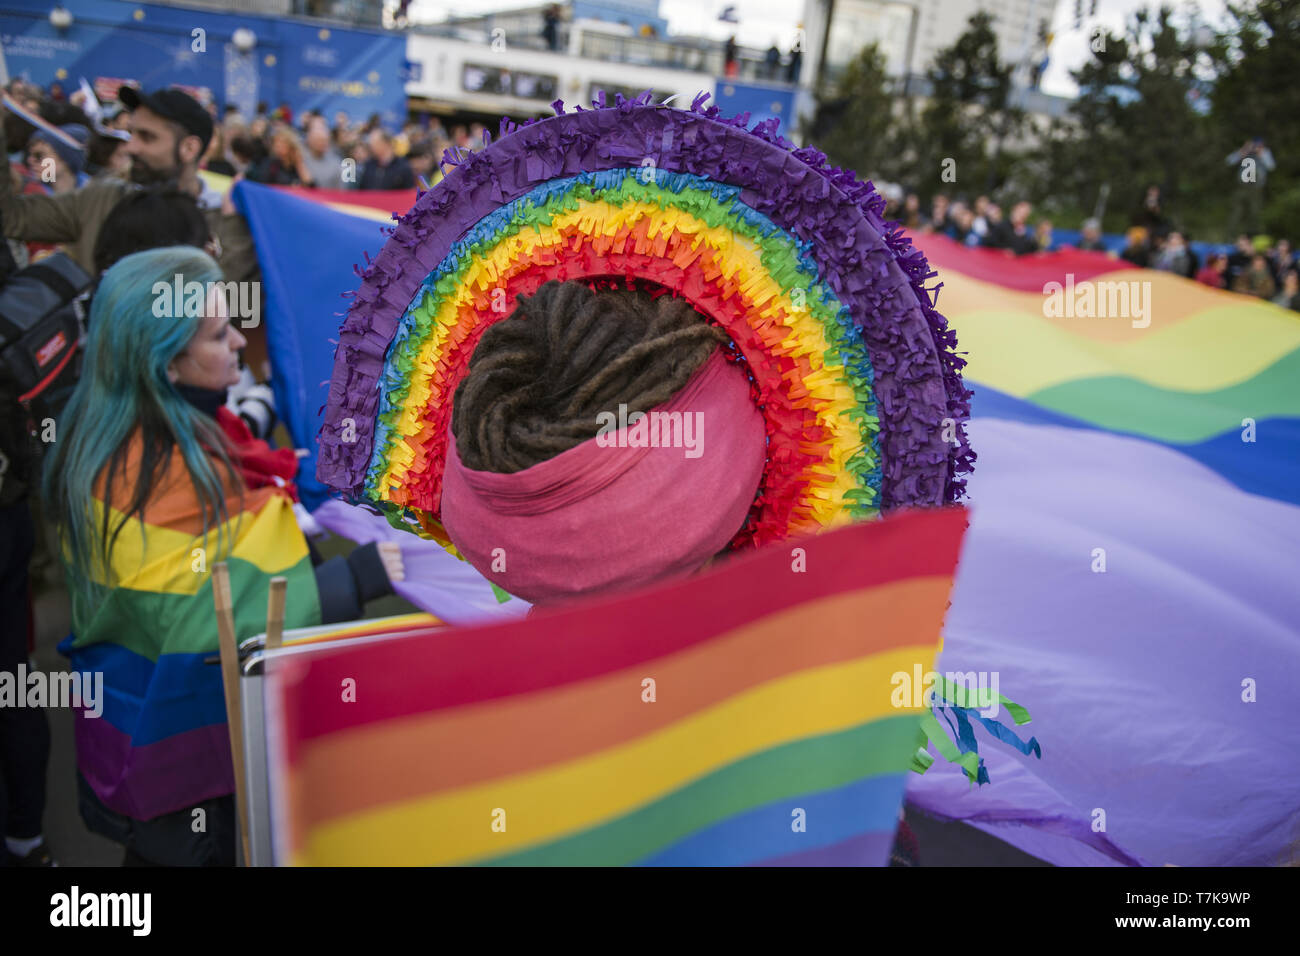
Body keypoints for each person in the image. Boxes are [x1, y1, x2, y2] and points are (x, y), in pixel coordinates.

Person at [42, 246, 405, 866]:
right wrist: (347, 580)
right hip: (177, 761)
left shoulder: (147, 429)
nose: (241, 340)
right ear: (164, 361)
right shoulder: (145, 468)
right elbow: (188, 616)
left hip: (143, 727)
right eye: (217, 333)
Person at [0, 88, 257, 285]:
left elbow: (240, 310)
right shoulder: (102, 199)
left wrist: (234, 230)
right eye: (132, 134)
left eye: (147, 137)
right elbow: (11, 218)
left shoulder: (226, 220)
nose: (131, 147)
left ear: (189, 148)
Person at [1225, 137, 1275, 235]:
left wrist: (1261, 154)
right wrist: (1242, 151)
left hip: (1256, 188)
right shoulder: (1245, 151)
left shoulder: (1265, 152)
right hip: (1242, 186)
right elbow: (1229, 161)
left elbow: (1271, 167)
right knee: (1237, 212)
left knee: (1255, 213)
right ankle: (1232, 235)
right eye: (1255, 145)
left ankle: (1254, 234)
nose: (1256, 147)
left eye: (1259, 145)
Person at [300, 117, 344, 189]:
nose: (321, 144)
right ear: (309, 140)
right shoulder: (300, 158)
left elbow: (340, 190)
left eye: (324, 141)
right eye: (318, 140)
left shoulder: (336, 163)